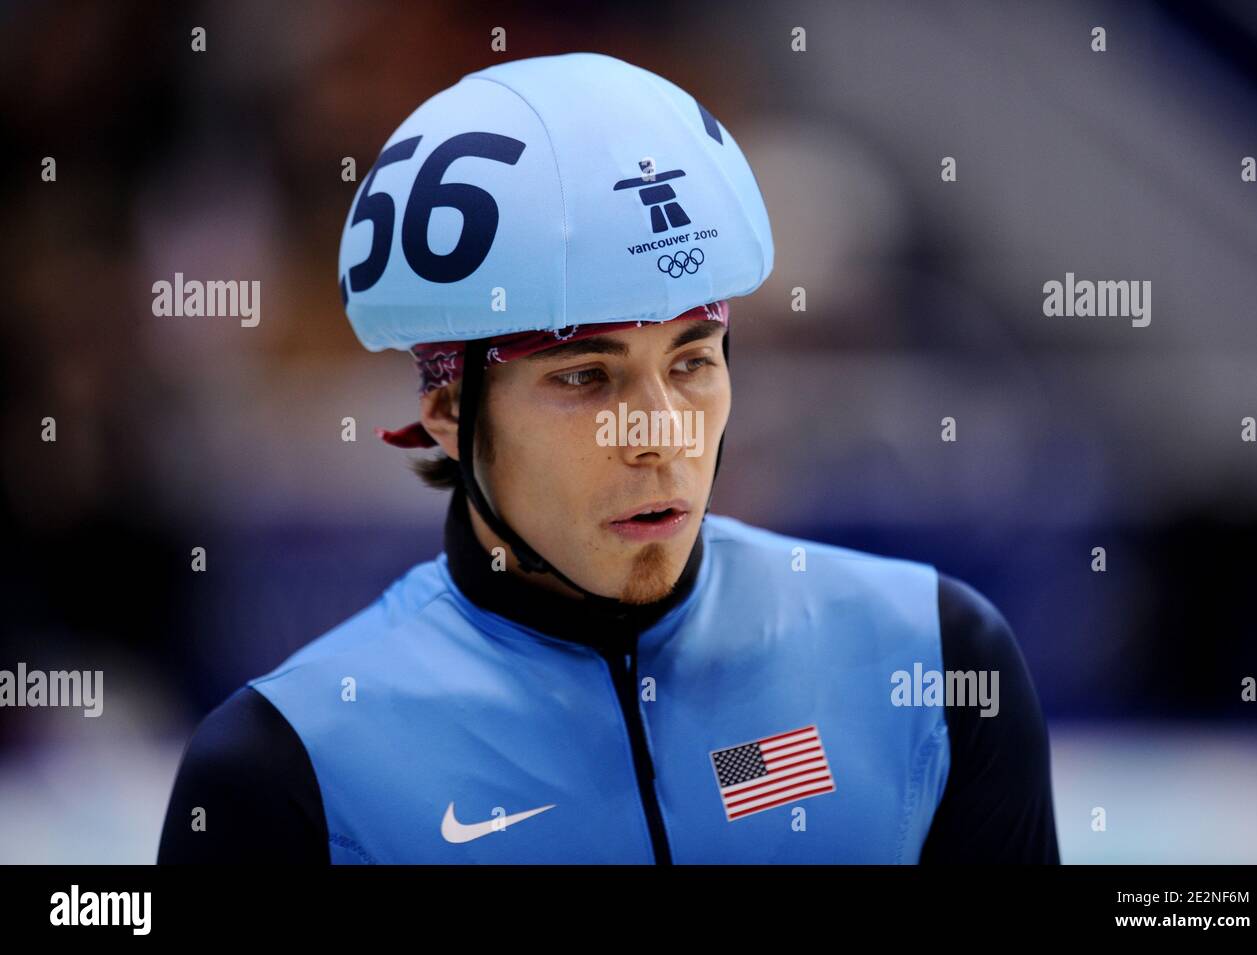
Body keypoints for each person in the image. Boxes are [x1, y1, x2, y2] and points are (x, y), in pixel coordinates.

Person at [158, 51, 1059, 864]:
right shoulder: (288, 767)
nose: (661, 433)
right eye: (587, 377)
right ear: (446, 411)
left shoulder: (934, 658)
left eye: (692, 362)